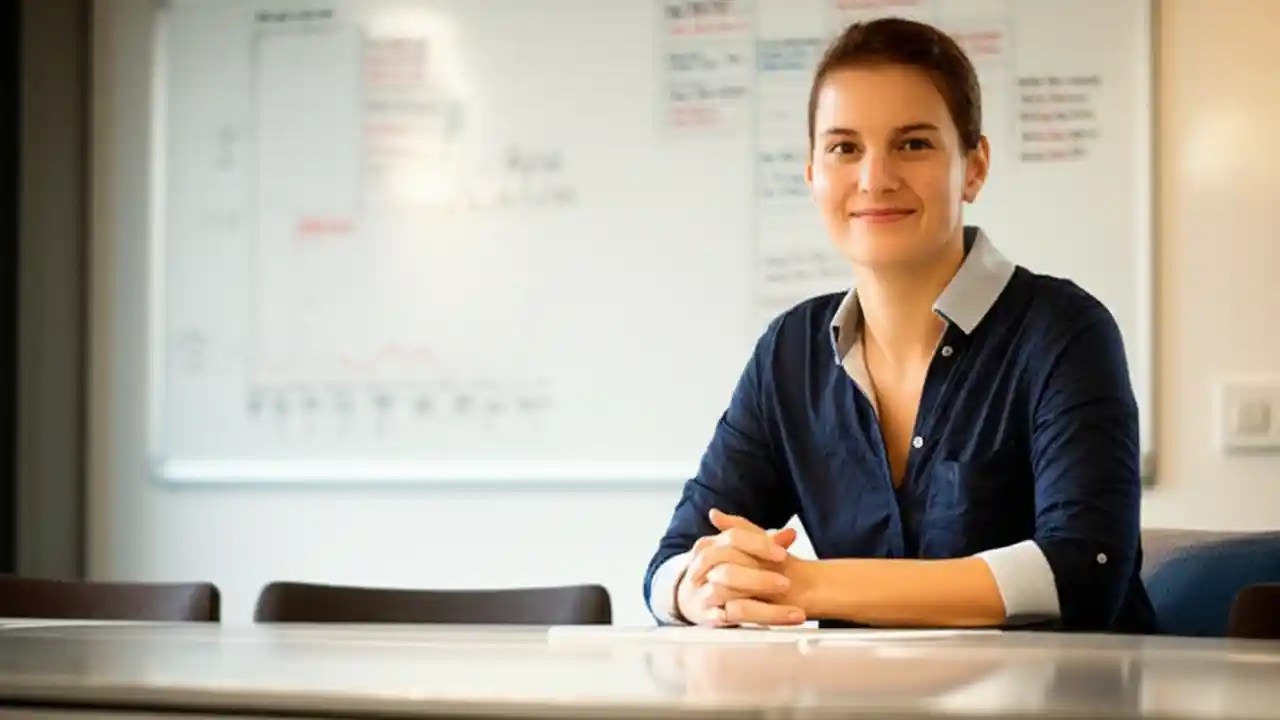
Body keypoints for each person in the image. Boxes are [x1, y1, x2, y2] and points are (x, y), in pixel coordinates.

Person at [643, 17, 1156, 632]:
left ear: (974, 167)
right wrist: (701, 590)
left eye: (913, 144)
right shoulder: (789, 352)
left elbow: (1084, 569)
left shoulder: (1065, 332)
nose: (874, 177)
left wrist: (808, 584)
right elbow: (670, 562)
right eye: (843, 147)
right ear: (811, 174)